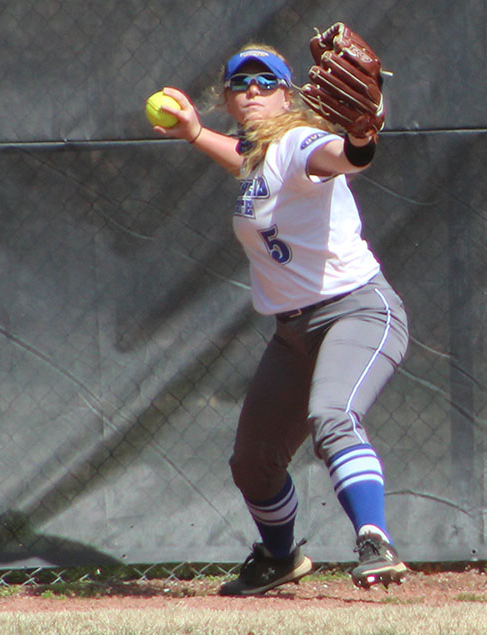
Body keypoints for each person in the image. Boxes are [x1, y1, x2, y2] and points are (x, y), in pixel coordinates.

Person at [152, 43, 409, 595]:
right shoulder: (259, 154)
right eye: (240, 83)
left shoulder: (298, 141)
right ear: (227, 98)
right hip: (293, 335)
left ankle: (373, 539)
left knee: (333, 416)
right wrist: (196, 133)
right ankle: (278, 557)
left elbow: (340, 157)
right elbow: (246, 157)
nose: (252, 91)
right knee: (252, 462)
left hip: (358, 310)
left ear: (287, 95)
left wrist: (361, 140)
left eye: (266, 82)